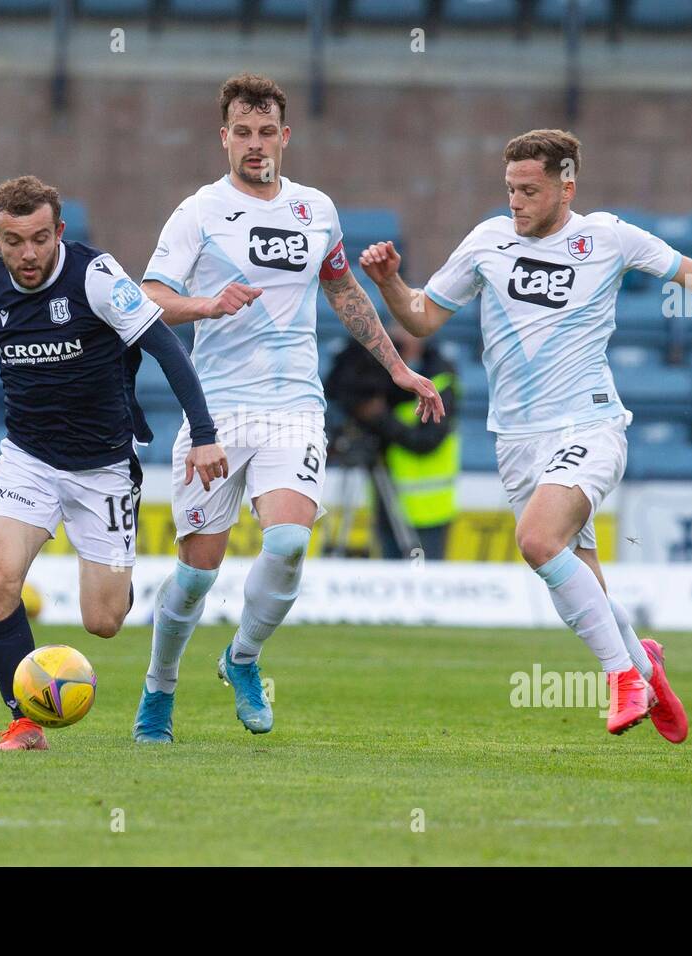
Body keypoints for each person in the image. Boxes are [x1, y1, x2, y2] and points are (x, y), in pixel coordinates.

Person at [360, 129, 692, 742]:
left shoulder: (607, 236)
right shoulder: (487, 242)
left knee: (535, 539)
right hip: (516, 440)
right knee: (573, 573)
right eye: (510, 190)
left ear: (566, 186)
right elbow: (421, 315)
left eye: (529, 191)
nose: (516, 203)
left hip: (590, 421)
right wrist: (391, 281)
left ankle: (622, 679)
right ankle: (643, 662)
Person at [131, 73, 444, 743]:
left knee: (290, 542)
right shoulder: (199, 212)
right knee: (195, 576)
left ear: (285, 136)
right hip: (215, 410)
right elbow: (148, 296)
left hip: (295, 405)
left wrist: (399, 369)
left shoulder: (316, 210)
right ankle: (159, 689)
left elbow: (344, 292)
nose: (254, 144)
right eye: (242, 132)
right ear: (223, 138)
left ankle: (242, 657)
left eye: (266, 131)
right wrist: (207, 304)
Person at [0, 175, 227, 751]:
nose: (28, 253)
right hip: (27, 459)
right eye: (14, 241)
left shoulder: (97, 277)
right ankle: (24, 723)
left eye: (40, 238)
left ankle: (125, 580)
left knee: (103, 622)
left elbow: (167, 348)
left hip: (104, 465)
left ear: (58, 231)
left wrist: (205, 434)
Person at [325, 325, 459, 560]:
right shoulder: (387, 380)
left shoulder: (439, 376)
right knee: (390, 573)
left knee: (425, 582)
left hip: (428, 512)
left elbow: (426, 440)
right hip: (387, 503)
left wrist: (378, 416)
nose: (397, 341)